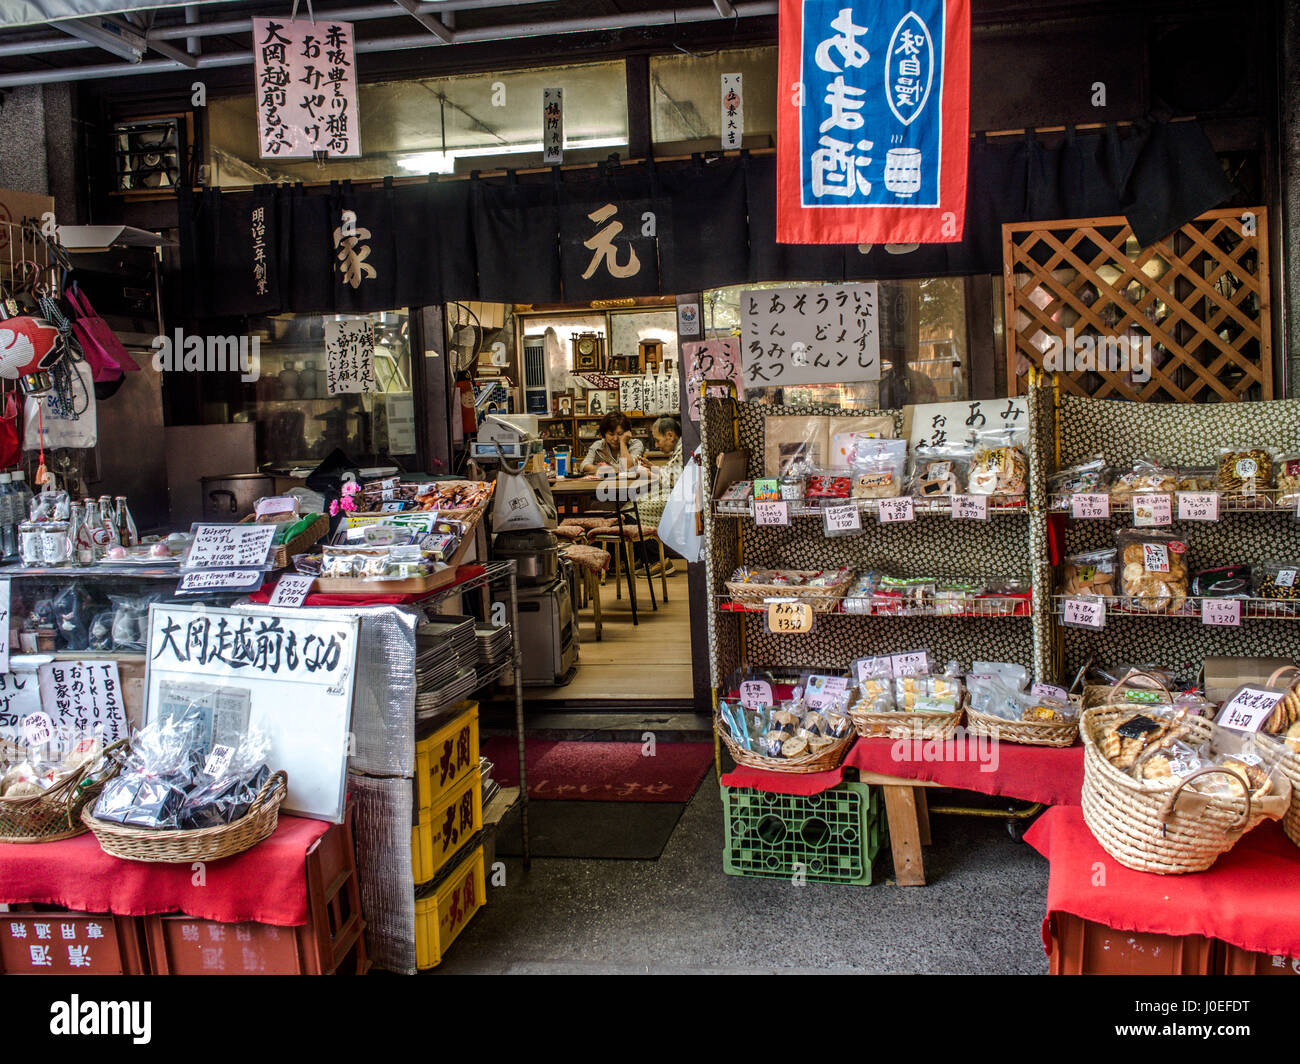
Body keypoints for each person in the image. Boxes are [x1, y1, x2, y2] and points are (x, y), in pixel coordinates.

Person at [637, 417, 684, 575]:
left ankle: (659, 560)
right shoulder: (680, 447)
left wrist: (649, 473)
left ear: (670, 435)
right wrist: (653, 468)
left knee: (636, 511)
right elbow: (672, 472)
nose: (656, 445)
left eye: (658, 440)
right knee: (632, 504)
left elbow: (674, 478)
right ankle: (642, 558)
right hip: (676, 493)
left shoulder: (683, 447)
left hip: (682, 499)